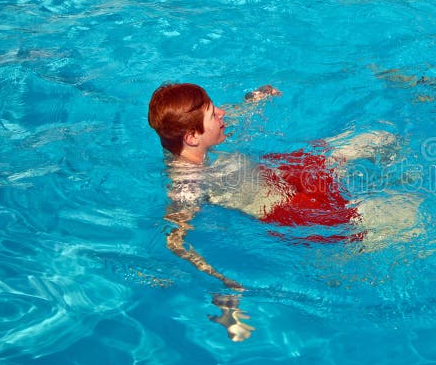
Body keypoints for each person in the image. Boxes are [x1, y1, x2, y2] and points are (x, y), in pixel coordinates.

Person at [147, 82, 420, 341]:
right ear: (192, 137)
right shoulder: (187, 186)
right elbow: (175, 240)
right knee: (412, 213)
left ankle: (392, 176)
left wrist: (254, 100)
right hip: (293, 212)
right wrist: (222, 284)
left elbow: (229, 114)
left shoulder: (200, 141)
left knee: (379, 137)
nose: (222, 112)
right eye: (212, 113)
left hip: (283, 172)